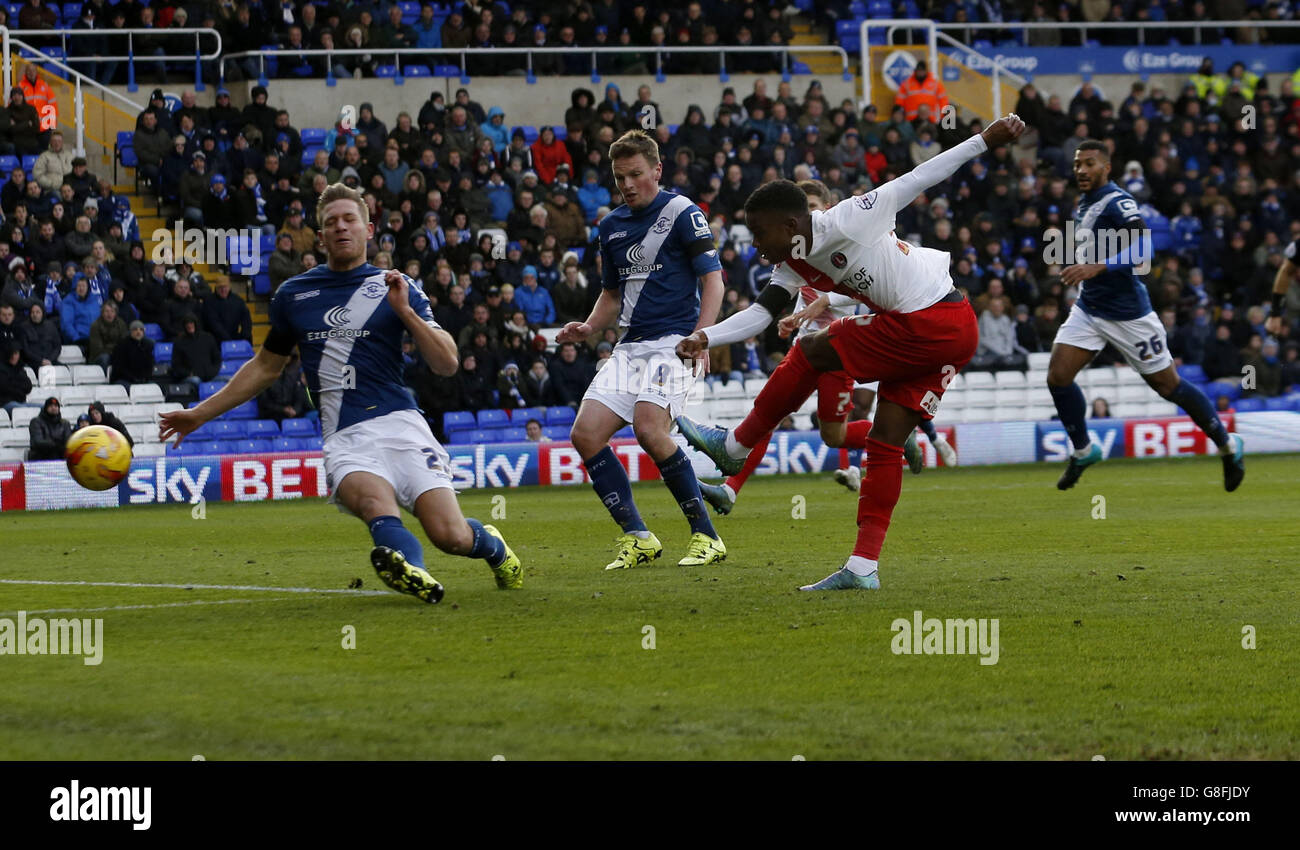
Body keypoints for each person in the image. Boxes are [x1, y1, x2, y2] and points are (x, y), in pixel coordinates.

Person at [676, 115, 1029, 591]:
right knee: (884, 444)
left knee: (818, 346)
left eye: (759, 234)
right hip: (947, 330)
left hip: (931, 319)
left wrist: (985, 140)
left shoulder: (850, 216)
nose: (756, 245)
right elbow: (761, 315)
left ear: (791, 222)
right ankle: (864, 567)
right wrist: (708, 338)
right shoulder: (791, 261)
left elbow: (922, 176)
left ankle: (735, 446)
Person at [160, 183, 522, 602]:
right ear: (320, 237)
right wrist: (199, 414)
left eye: (349, 219)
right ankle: (414, 572)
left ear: (369, 229)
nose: (340, 227)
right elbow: (265, 366)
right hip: (345, 436)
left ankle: (494, 547)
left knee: (451, 536)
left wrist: (405, 312)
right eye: (331, 222)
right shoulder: (294, 295)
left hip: (402, 425)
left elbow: (447, 363)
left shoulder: (395, 286)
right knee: (373, 504)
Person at [690, 180, 923, 518]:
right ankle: (729, 490)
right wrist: (794, 317)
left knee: (834, 434)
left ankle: (894, 434)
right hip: (807, 344)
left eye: (814, 206)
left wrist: (823, 302)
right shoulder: (795, 250)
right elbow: (788, 289)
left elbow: (865, 289)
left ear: (826, 208)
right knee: (768, 414)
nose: (808, 214)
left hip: (838, 351)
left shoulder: (845, 240)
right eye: (804, 208)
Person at [555, 129, 727, 571]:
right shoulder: (610, 226)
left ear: (656, 170)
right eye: (619, 177)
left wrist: (702, 335)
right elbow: (612, 294)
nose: (627, 184)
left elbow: (713, 280)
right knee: (585, 435)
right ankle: (638, 537)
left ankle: (706, 537)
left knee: (650, 428)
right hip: (629, 347)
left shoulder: (682, 212)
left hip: (675, 343)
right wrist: (589, 327)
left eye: (635, 174)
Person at [1049, 140, 1244, 492]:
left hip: (1129, 316)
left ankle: (1228, 444)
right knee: (1058, 377)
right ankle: (1083, 450)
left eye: (1089, 163)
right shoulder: (1085, 201)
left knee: (1168, 387)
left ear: (1106, 167)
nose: (1080, 169)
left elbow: (1145, 248)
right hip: (1090, 308)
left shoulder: (1118, 200)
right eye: (1078, 163)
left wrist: (1099, 266)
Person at [169, 314, 220, 389]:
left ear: (196, 324)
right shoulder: (179, 342)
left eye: (191, 323)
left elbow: (217, 359)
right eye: (187, 324)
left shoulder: (208, 338)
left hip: (210, 376)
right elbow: (176, 366)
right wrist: (189, 374)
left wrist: (212, 372)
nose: (189, 326)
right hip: (192, 378)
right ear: (184, 326)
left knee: (227, 380)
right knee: (196, 381)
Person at [109, 320, 156, 387]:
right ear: (130, 331)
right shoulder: (122, 345)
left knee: (153, 387)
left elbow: (149, 366)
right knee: (132, 389)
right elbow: (120, 368)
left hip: (140, 379)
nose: (138, 332)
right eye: (135, 329)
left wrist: (144, 378)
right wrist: (133, 379)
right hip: (123, 379)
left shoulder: (147, 346)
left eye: (141, 330)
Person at [87, 299, 128, 368]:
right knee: (105, 358)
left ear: (115, 313)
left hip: (116, 353)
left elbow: (125, 343)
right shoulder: (95, 326)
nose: (109, 314)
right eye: (107, 311)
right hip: (99, 357)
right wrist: (115, 349)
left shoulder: (121, 324)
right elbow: (97, 349)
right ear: (102, 313)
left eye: (112, 311)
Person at [28, 396, 72, 460]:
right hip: (41, 457)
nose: (53, 408)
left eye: (56, 406)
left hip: (60, 456)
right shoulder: (36, 422)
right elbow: (38, 442)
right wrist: (56, 445)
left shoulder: (65, 423)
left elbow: (68, 442)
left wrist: (57, 446)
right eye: (51, 406)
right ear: (46, 408)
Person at [0, 344, 33, 412]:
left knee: (44, 408)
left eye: (16, 354)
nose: (13, 357)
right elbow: (4, 388)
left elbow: (28, 387)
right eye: (11, 354)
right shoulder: (1, 369)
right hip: (5, 403)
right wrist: (19, 388)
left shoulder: (20, 369)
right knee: (22, 409)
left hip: (21, 402)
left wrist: (14, 383)